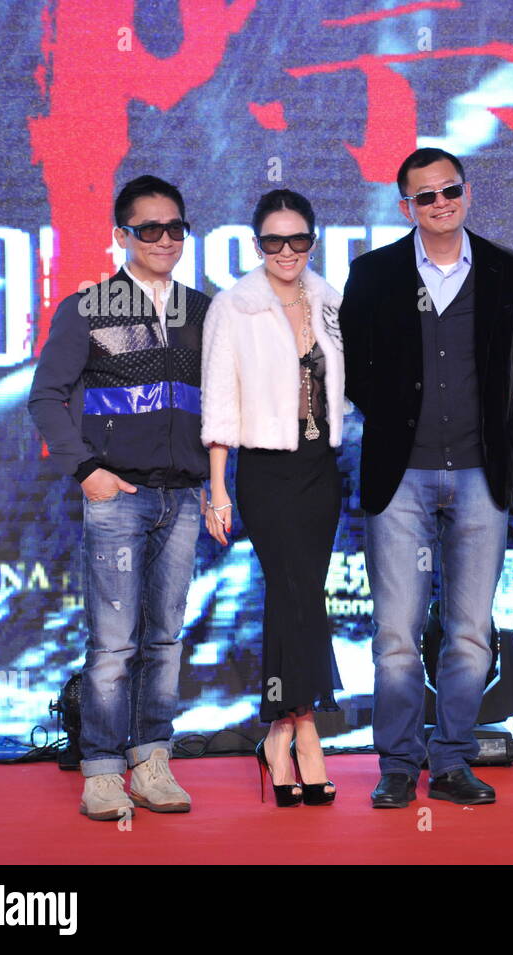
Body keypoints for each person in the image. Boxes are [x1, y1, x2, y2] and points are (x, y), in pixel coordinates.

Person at [338, 148, 513, 808]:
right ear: (406, 207)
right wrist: (402, 412)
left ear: (467, 193)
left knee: (471, 631)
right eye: (426, 196)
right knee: (396, 633)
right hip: (402, 478)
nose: (441, 202)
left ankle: (451, 760)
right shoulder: (373, 274)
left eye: (450, 190)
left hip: (484, 476)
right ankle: (398, 763)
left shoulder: (507, 271)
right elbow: (354, 372)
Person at [28, 175, 210, 820]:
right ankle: (103, 772)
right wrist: (87, 471)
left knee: (164, 639)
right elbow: (46, 396)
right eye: (149, 229)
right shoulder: (88, 308)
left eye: (175, 228)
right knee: (112, 644)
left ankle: (152, 758)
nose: (165, 240)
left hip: (184, 497)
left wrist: (213, 485)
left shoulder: (203, 311)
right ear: (121, 236)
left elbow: (222, 403)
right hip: (117, 496)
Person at [202, 189, 346, 807]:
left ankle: (278, 731)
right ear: (256, 244)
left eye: (298, 240)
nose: (286, 252)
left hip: (322, 471)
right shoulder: (235, 307)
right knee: (293, 592)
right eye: (272, 241)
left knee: (302, 595)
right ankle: (304, 730)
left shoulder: (328, 297)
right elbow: (219, 399)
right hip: (266, 473)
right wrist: (217, 489)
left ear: (313, 240)